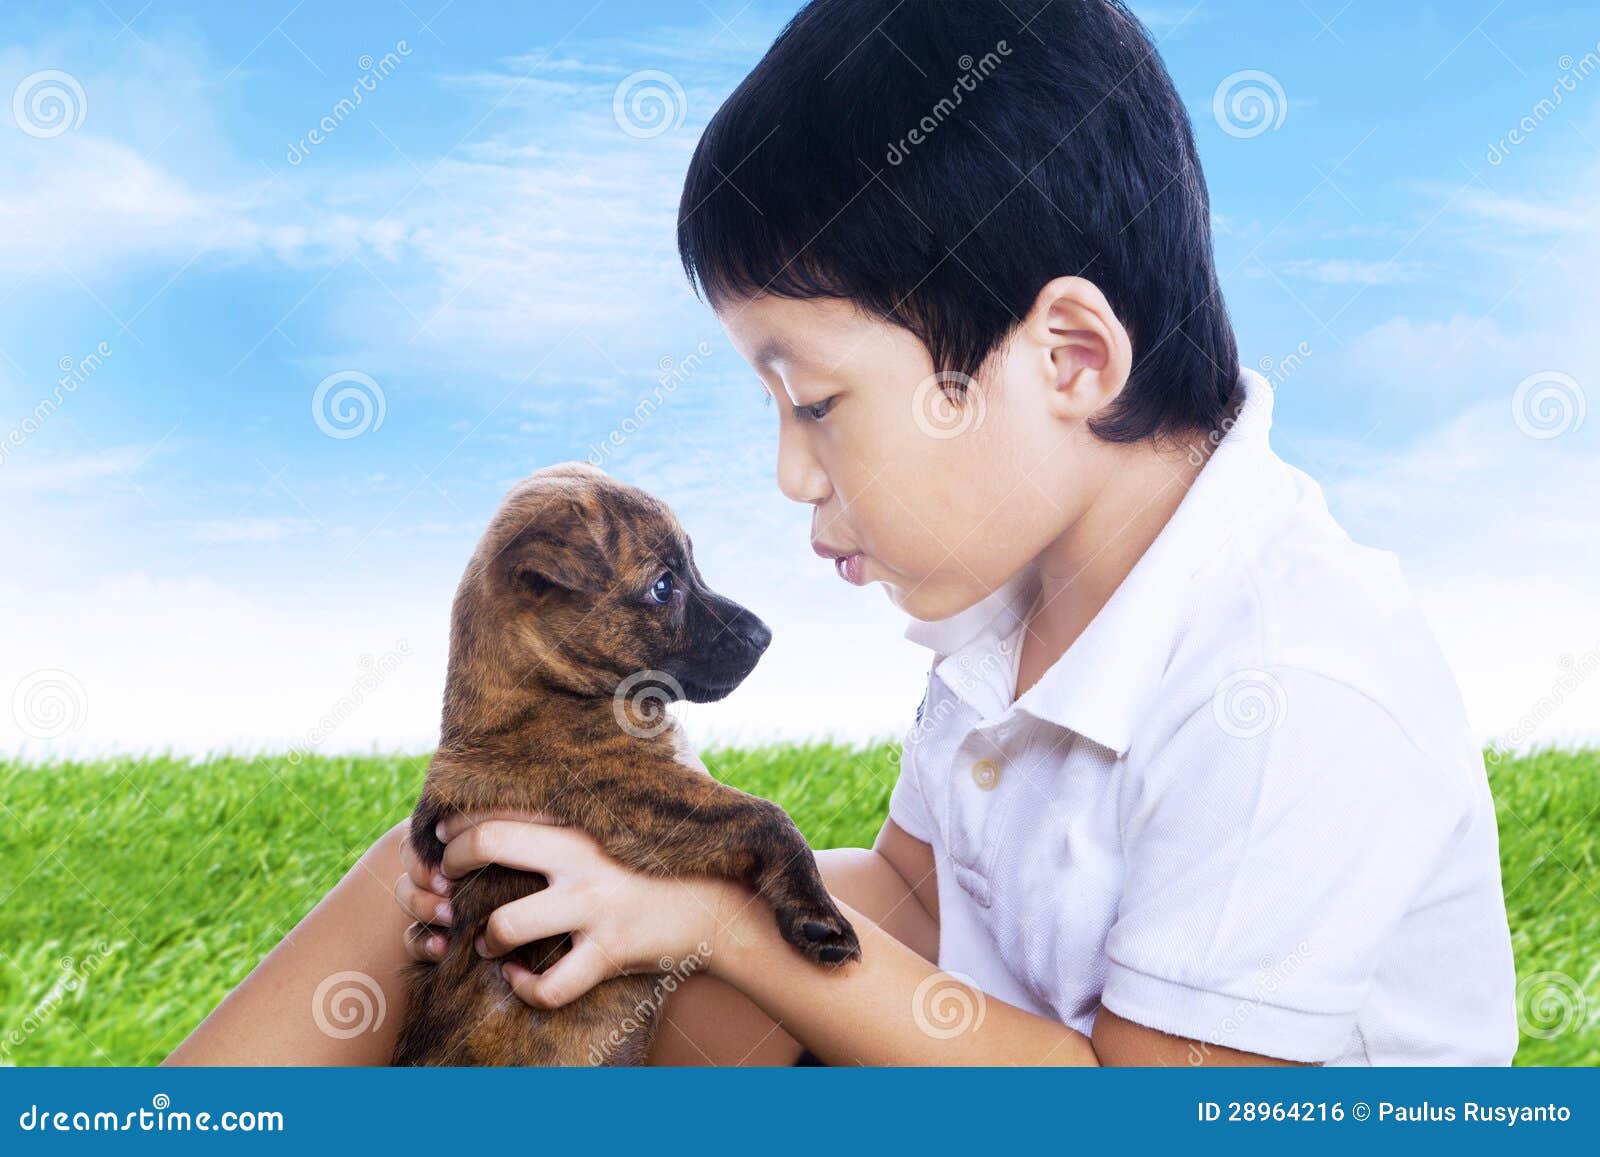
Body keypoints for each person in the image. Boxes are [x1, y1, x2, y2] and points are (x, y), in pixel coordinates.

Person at [167, 0, 1516, 1067]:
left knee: (678, 965)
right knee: (458, 889)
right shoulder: (1017, 611)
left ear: (1067, 358)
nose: (788, 470)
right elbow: (925, 908)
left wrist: (712, 920)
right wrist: (631, 870)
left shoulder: (1285, 689)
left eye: (816, 401)